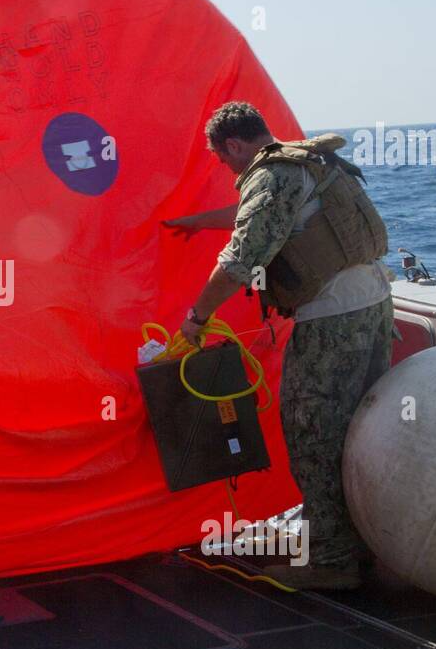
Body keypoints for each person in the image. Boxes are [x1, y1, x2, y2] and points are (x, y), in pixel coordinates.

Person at [167, 101, 393, 590]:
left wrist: (197, 318)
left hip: (334, 319)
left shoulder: (270, 175)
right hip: (373, 305)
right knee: (358, 431)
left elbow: (238, 263)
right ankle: (367, 543)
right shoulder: (303, 162)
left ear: (233, 145)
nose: (226, 168)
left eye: (223, 159)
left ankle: (333, 562)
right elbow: (260, 215)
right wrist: (197, 222)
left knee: (313, 435)